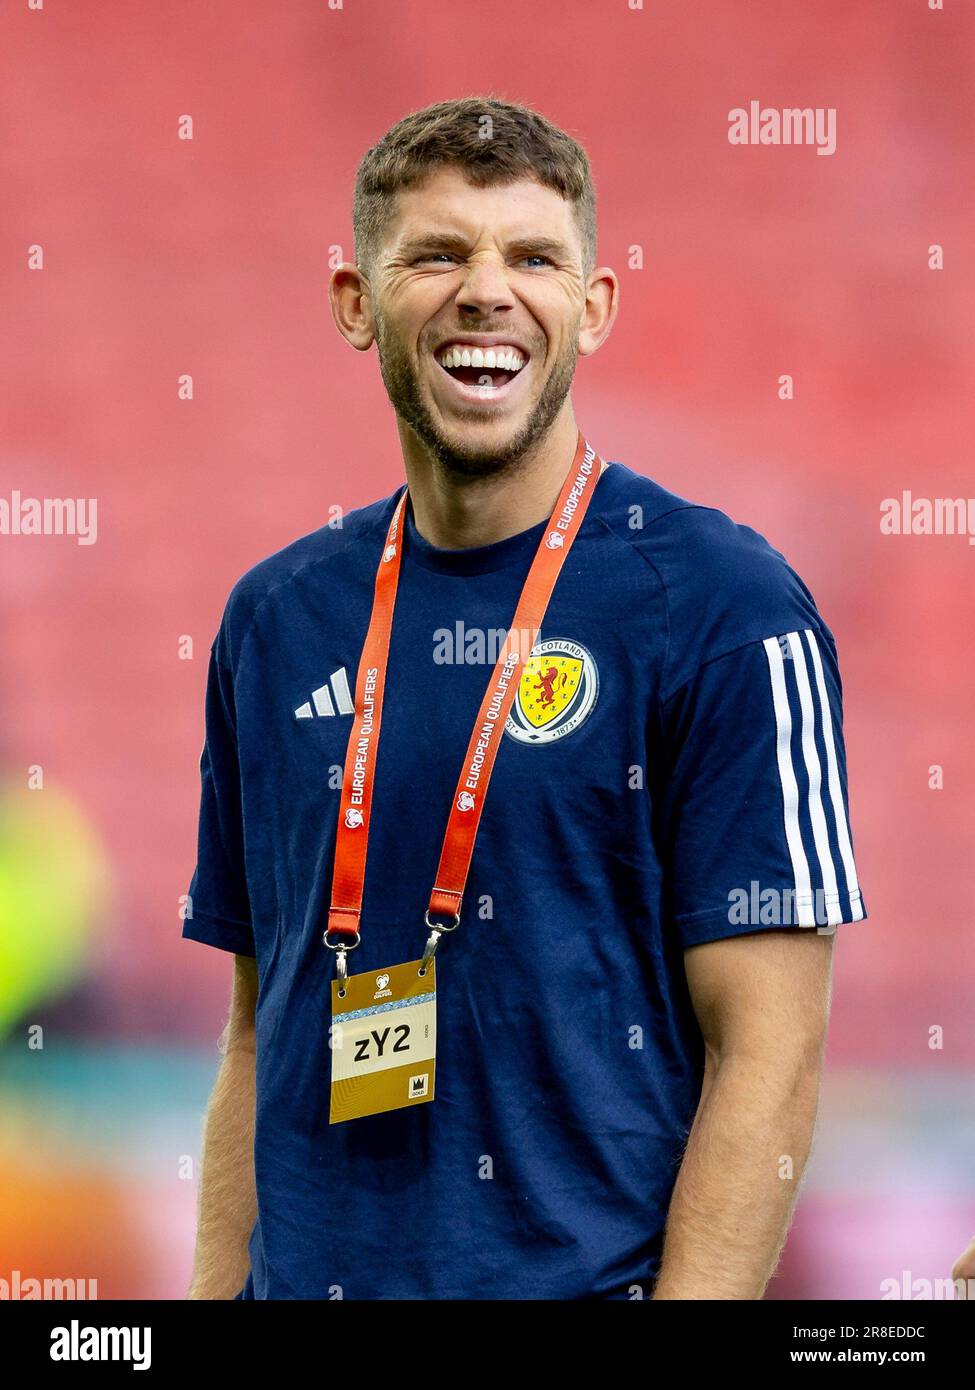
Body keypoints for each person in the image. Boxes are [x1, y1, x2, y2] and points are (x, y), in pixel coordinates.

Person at [183, 95, 867, 1301]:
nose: (486, 290)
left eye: (534, 256)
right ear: (357, 303)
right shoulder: (273, 621)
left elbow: (770, 1050)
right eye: (437, 253)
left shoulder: (725, 611)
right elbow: (257, 1031)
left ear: (592, 308)